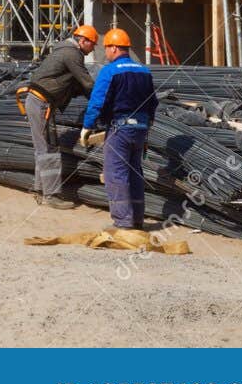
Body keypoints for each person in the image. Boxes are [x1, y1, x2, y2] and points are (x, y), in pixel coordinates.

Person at [80, 27, 158, 230]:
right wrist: (147, 125)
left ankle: (123, 223)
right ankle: (138, 220)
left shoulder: (110, 71)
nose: (105, 53)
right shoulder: (144, 71)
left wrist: (88, 126)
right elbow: (153, 103)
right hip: (140, 130)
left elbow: (97, 101)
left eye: (106, 48)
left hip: (119, 129)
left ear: (114, 48)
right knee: (135, 173)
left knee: (116, 174)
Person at [16, 24, 97, 209]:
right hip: (42, 103)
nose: (93, 49)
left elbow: (76, 85)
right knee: (50, 149)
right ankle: (51, 195)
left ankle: (39, 189)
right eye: (92, 44)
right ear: (83, 41)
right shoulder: (72, 54)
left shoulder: (63, 51)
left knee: (43, 148)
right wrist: (103, 103)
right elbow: (87, 83)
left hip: (39, 102)